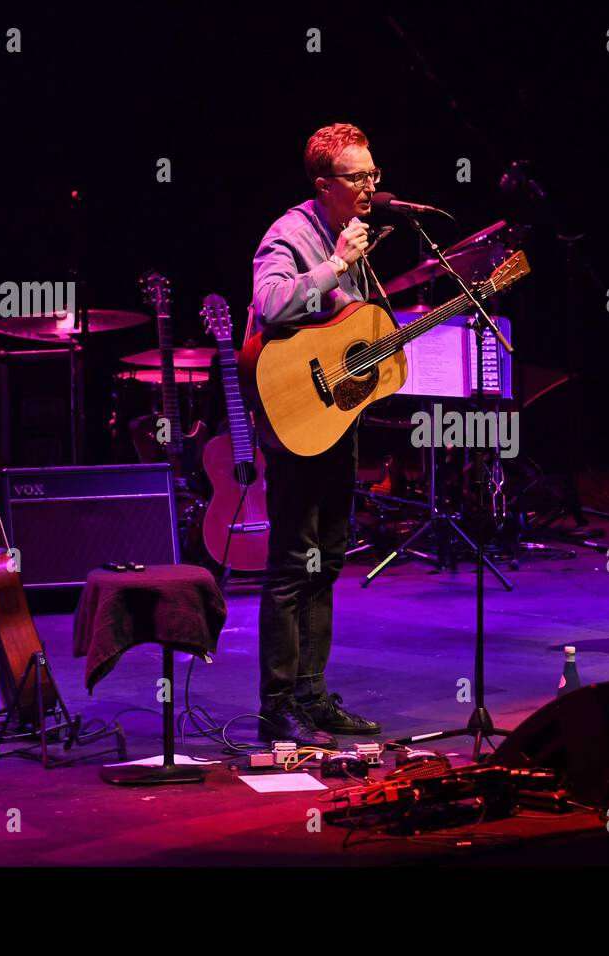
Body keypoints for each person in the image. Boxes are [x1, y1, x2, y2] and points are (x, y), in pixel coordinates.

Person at [250, 122, 385, 745]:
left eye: (374, 173)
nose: (371, 185)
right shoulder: (290, 234)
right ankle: (276, 705)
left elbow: (341, 329)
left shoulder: (353, 233)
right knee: (289, 567)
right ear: (324, 184)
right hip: (294, 420)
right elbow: (272, 304)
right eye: (358, 177)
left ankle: (312, 694)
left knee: (326, 562)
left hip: (337, 420)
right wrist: (335, 265)